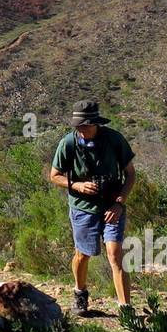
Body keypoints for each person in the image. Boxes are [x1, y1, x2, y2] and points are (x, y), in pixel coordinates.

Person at [48, 100, 137, 315]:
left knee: (115, 254)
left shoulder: (114, 139)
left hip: (112, 205)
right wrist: (77, 185)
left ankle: (126, 310)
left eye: (85, 125)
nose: (81, 129)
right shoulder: (68, 143)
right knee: (83, 254)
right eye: (78, 126)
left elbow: (131, 173)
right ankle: (80, 293)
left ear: (96, 124)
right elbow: (54, 176)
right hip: (82, 207)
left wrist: (119, 202)